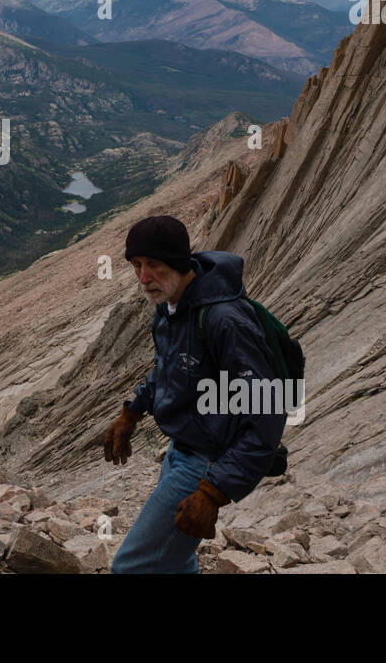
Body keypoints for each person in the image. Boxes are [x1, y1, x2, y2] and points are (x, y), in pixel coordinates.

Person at [105, 214, 286, 573]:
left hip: (205, 464)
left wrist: (213, 492)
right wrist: (133, 411)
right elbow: (169, 370)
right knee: (177, 561)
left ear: (177, 261)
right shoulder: (172, 307)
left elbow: (266, 415)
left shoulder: (224, 320)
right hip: (180, 452)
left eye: (153, 264)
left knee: (130, 568)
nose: (143, 277)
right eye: (137, 265)